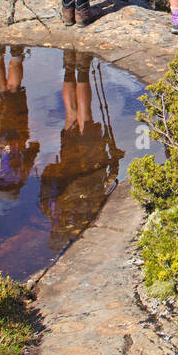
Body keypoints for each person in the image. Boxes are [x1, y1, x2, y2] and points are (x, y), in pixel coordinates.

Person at [38, 51, 124, 248]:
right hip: (74, 161)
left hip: (78, 164)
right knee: (81, 119)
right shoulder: (67, 215)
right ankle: (79, 68)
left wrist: (112, 163)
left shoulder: (57, 214)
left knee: (74, 118)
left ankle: (72, 67)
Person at [0, 44, 40, 198]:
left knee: (13, 89)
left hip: (15, 127)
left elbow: (31, 152)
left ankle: (16, 53)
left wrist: (35, 146)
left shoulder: (19, 174)